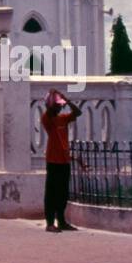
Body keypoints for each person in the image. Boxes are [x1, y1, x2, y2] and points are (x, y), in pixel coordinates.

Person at [41, 89, 82, 232]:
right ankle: (50, 223)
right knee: (51, 193)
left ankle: (62, 221)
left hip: (65, 160)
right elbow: (49, 110)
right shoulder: (47, 119)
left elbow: (78, 113)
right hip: (53, 161)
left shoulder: (63, 119)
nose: (60, 107)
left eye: (60, 105)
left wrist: (68, 101)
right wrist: (54, 98)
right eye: (57, 105)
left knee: (63, 193)